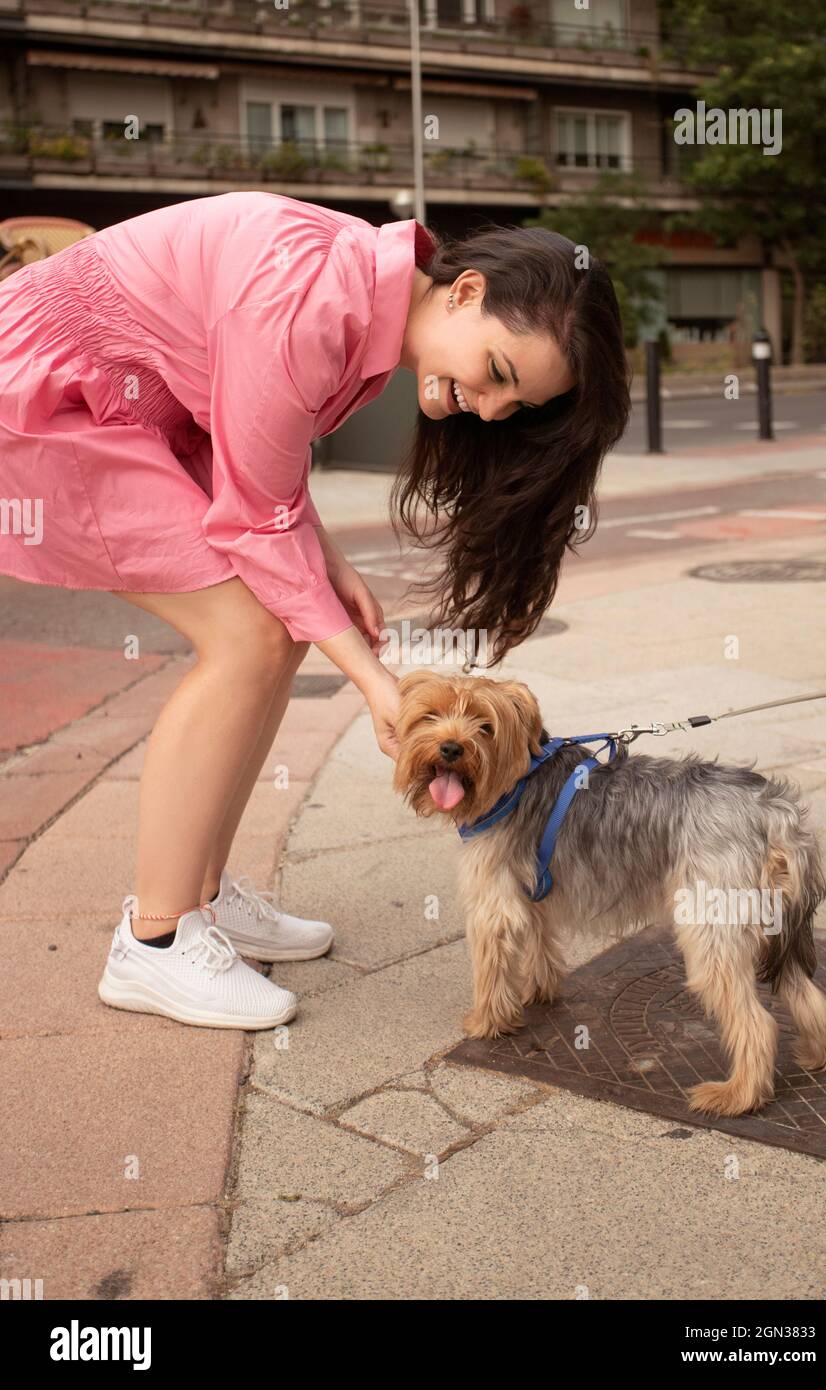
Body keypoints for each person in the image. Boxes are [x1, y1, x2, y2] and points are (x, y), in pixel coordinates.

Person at [0, 190, 630, 1030]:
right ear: (469, 291)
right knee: (249, 634)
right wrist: (377, 685)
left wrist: (325, 563)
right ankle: (154, 943)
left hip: (116, 404)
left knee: (280, 629)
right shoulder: (310, 298)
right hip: (46, 396)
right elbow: (256, 511)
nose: (488, 408)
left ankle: (203, 898)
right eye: (500, 374)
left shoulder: (363, 295)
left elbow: (260, 448)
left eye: (514, 407)